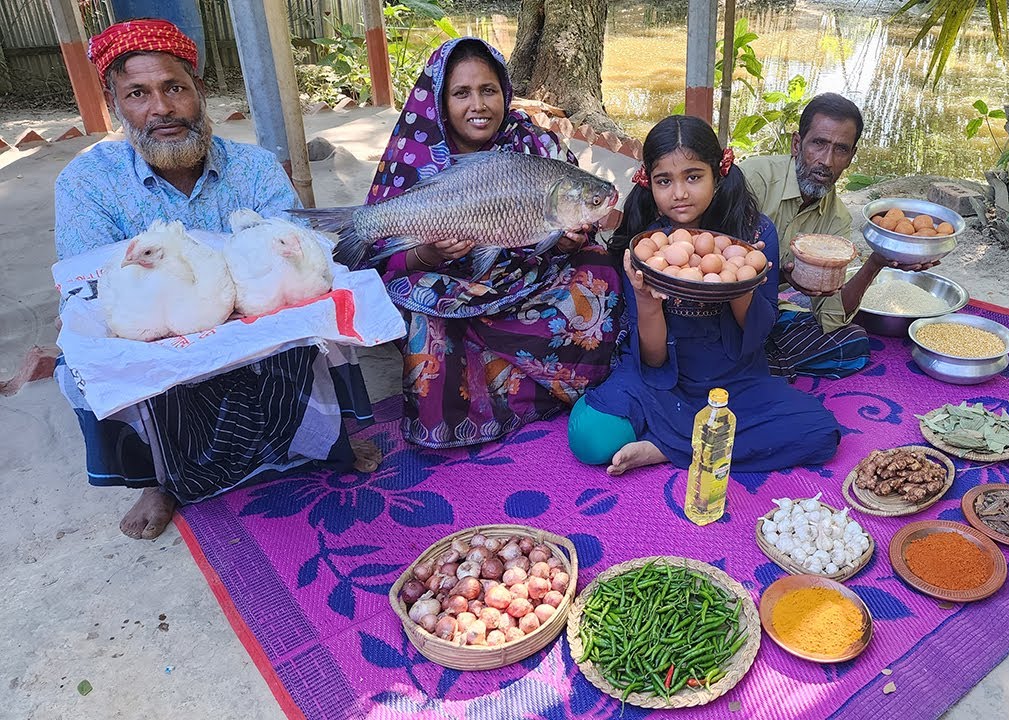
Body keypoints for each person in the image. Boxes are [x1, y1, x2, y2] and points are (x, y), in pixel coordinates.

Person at [53, 19, 379, 540]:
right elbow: (92, 288)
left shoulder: (253, 167)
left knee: (324, 298)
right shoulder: (87, 183)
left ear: (198, 93)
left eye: (174, 87)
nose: (160, 108)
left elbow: (298, 253)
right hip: (158, 332)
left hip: (254, 317)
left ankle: (322, 437)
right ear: (116, 105)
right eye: (138, 93)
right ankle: (155, 480)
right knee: (80, 358)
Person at [366, 38, 622, 449]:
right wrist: (428, 252)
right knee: (423, 310)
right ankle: (486, 395)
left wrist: (567, 244)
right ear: (438, 99)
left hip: (526, 276)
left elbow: (573, 219)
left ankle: (535, 384)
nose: (478, 105)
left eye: (489, 91)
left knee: (601, 269)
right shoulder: (413, 155)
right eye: (461, 93)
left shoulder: (536, 145)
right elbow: (379, 262)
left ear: (504, 92)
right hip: (450, 285)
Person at [568, 115, 839, 476]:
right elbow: (652, 358)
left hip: (734, 381)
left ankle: (667, 447)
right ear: (649, 183)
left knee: (819, 432)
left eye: (693, 177)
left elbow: (758, 335)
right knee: (589, 437)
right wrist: (647, 301)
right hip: (664, 382)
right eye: (665, 181)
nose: (679, 193)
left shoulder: (755, 235)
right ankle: (706, 440)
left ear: (718, 174)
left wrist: (741, 283)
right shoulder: (647, 245)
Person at [739, 93, 936, 379]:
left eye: (840, 149)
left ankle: (751, 363)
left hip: (763, 316)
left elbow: (830, 318)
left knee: (852, 344)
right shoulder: (754, 180)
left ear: (851, 156)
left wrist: (876, 262)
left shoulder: (836, 219)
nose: (827, 161)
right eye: (818, 144)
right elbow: (716, 263)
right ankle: (752, 363)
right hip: (717, 308)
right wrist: (783, 277)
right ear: (797, 144)